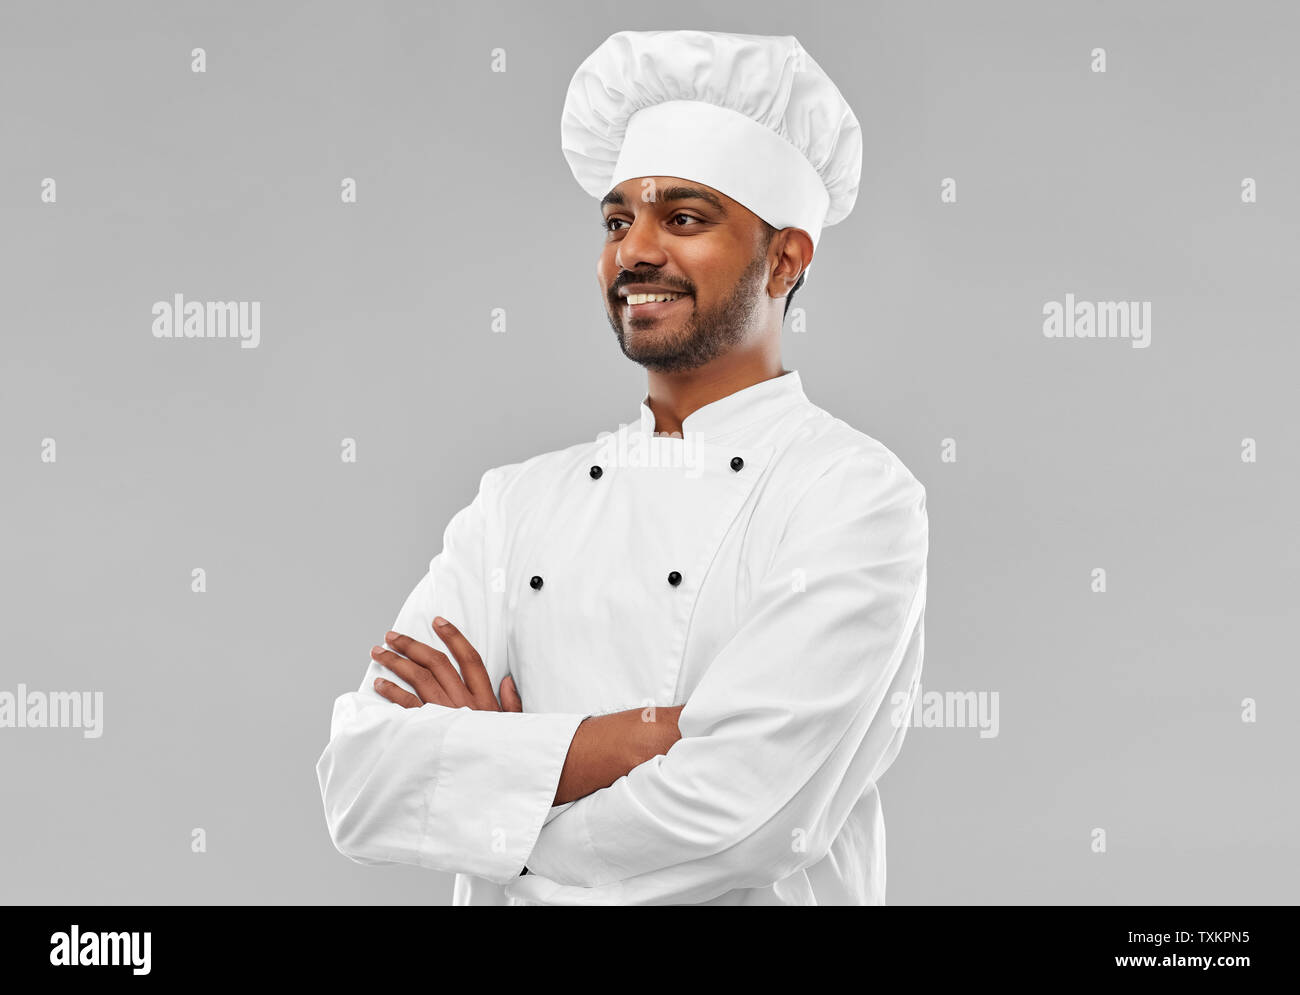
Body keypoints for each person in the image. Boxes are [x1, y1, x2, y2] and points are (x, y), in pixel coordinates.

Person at [315, 28, 928, 906]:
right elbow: (361, 781)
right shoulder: (516, 504)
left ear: (787, 258)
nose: (633, 252)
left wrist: (498, 792)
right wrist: (640, 738)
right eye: (616, 221)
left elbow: (749, 819)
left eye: (682, 218)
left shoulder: (853, 497)